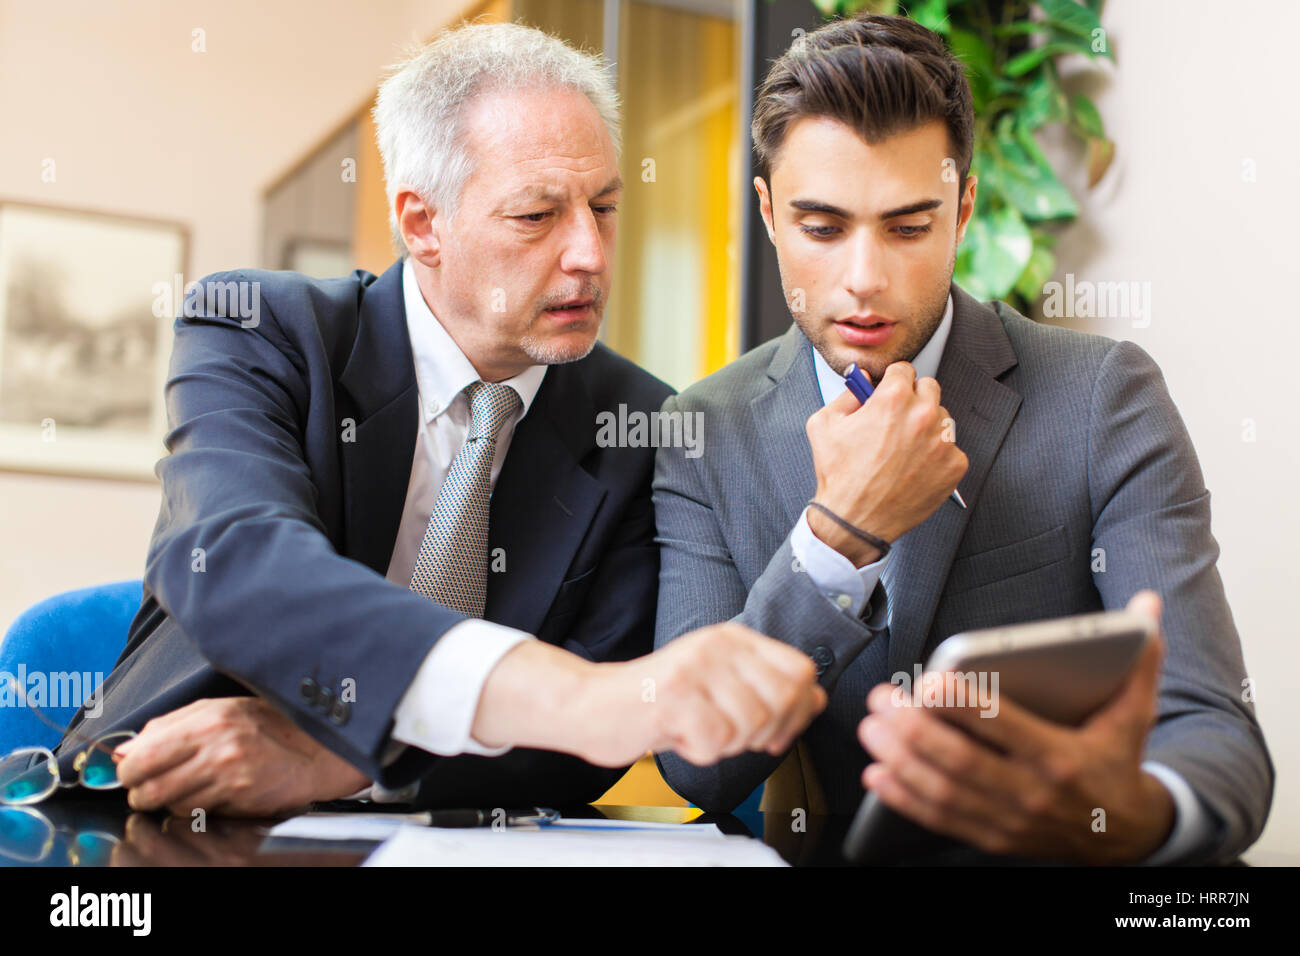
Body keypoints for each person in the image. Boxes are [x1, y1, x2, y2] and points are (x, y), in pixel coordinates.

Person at [54, 22, 825, 817]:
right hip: (160, 808)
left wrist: (342, 758)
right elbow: (240, 560)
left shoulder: (639, 423)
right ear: (422, 224)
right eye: (537, 217)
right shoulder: (258, 328)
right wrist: (568, 695)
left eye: (603, 207)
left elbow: (574, 753)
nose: (590, 254)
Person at [651, 12, 1272, 864]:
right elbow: (695, 762)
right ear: (766, 212)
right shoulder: (703, 430)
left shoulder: (1104, 397)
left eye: (908, 227)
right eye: (822, 228)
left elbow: (1214, 728)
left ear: (965, 207)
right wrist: (838, 535)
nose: (863, 280)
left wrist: (1135, 812)